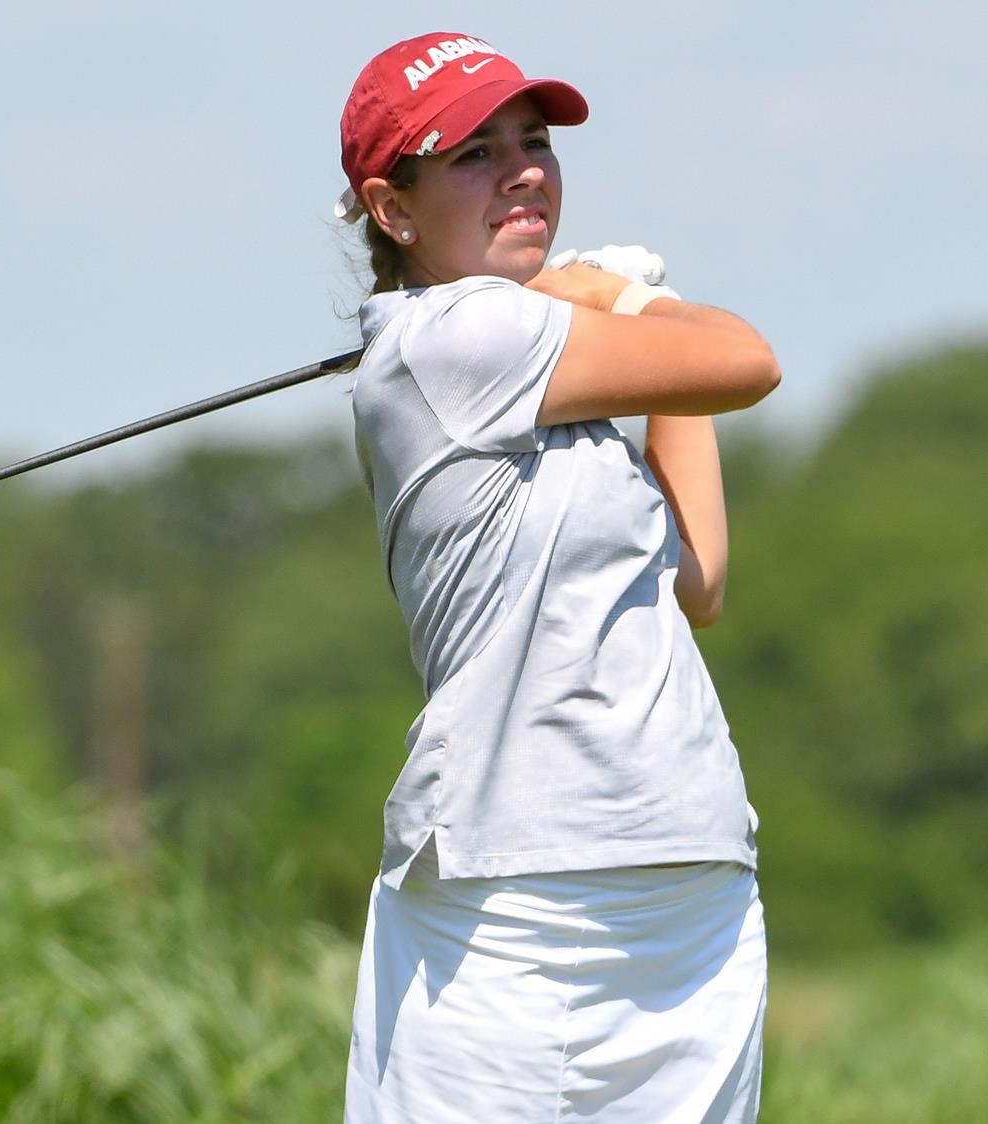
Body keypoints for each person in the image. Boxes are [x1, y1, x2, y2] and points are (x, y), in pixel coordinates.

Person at [333, 32, 782, 1123]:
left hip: (685, 878)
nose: (523, 168)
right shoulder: (449, 337)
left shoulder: (553, 382)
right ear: (392, 211)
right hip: (508, 902)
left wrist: (623, 319)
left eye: (531, 141)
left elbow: (701, 579)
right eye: (472, 154)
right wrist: (627, 306)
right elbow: (746, 358)